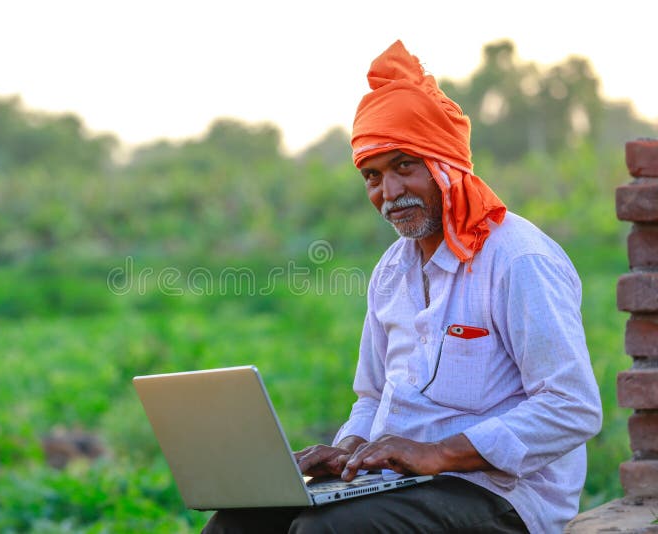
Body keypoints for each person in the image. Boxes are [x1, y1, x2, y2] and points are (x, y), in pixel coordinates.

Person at [202, 40, 602, 534]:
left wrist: (437, 453)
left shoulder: (519, 260)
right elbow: (372, 398)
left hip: (504, 497)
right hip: (403, 483)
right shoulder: (392, 270)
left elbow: (573, 407)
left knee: (325, 531)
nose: (389, 194)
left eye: (404, 166)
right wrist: (347, 450)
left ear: (445, 165)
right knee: (236, 524)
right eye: (373, 176)